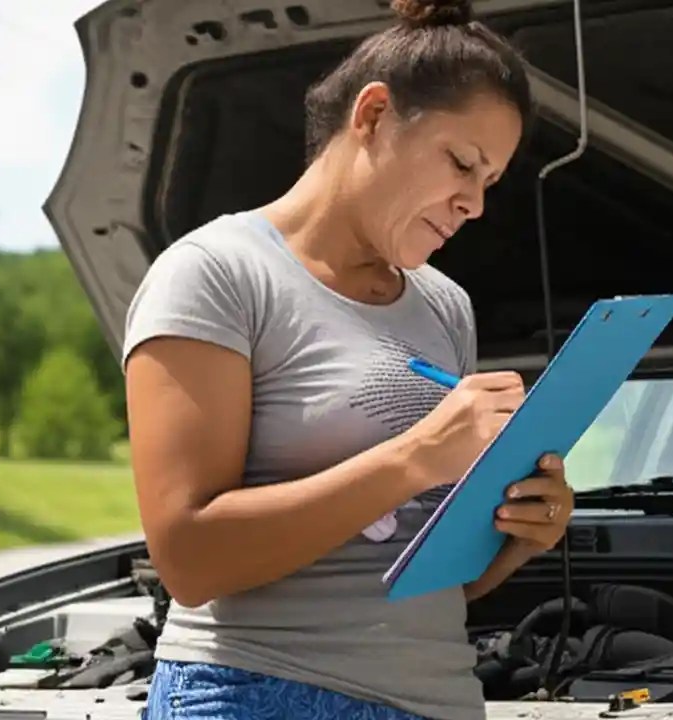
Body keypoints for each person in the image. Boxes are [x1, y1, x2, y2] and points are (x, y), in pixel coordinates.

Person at [122, 0, 575, 717]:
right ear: (371, 116)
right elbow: (188, 558)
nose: (474, 205)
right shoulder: (215, 274)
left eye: (489, 181)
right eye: (462, 163)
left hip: (438, 699)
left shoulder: (444, 304)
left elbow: (424, 585)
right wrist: (417, 457)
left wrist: (521, 534)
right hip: (256, 694)